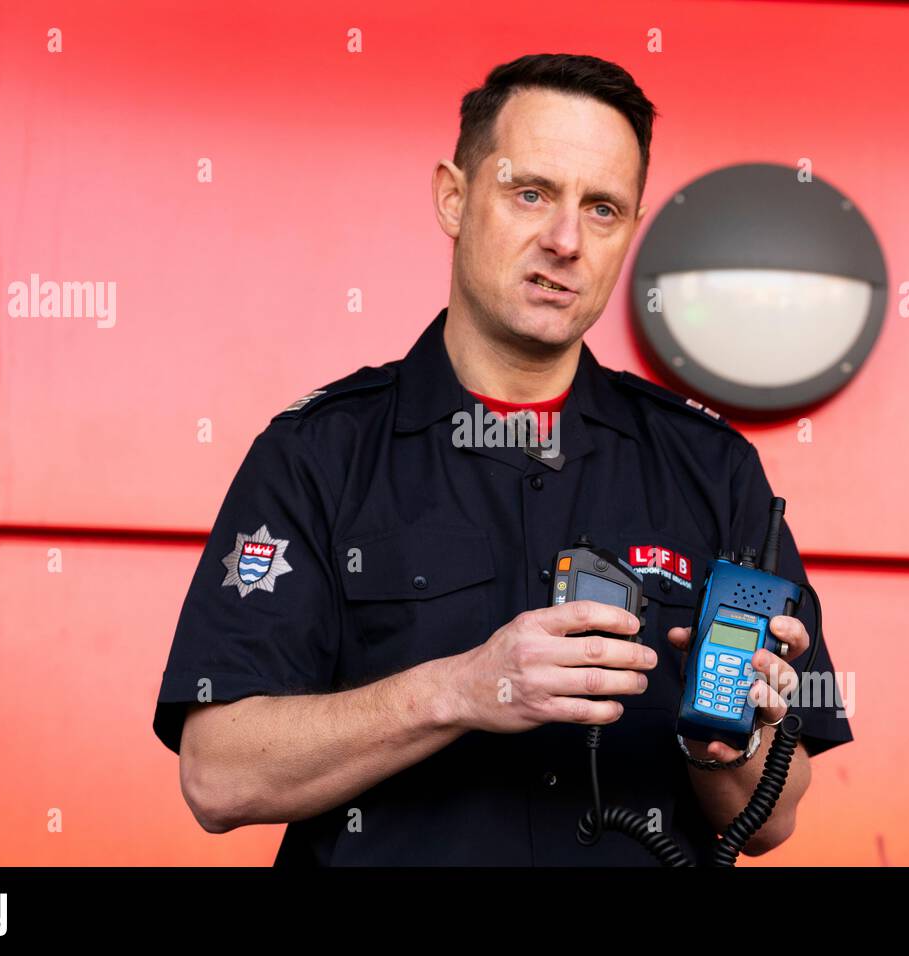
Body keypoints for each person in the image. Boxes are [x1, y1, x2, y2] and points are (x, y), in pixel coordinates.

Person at [152, 52, 853, 866]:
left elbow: (769, 821)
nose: (564, 241)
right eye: (532, 194)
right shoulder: (316, 454)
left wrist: (721, 743)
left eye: (602, 210)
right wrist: (460, 689)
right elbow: (218, 777)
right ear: (454, 197)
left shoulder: (714, 469)